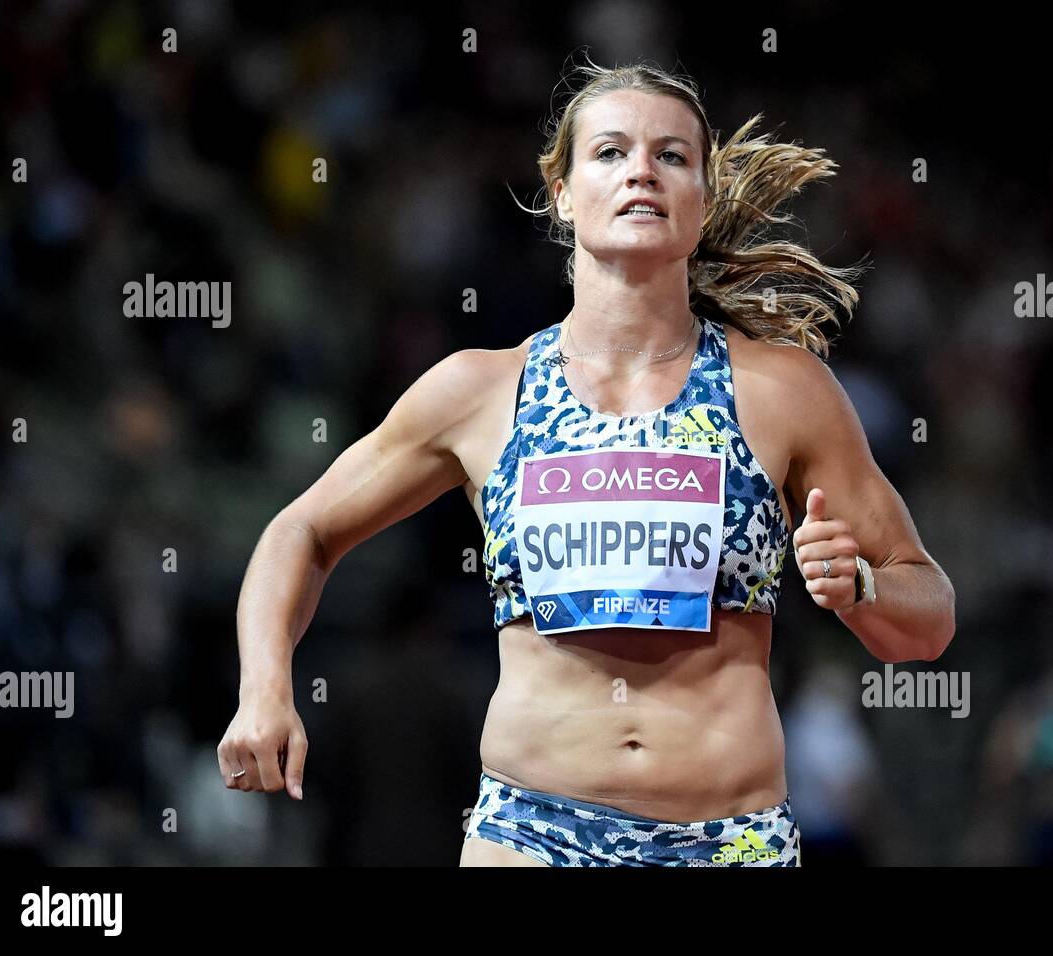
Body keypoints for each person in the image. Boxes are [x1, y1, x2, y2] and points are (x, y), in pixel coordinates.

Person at [217, 57, 955, 867]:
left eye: (672, 155)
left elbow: (928, 619)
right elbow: (304, 529)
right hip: (528, 835)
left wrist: (864, 588)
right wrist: (264, 690)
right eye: (611, 152)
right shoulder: (480, 393)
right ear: (562, 191)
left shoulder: (781, 391)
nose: (642, 169)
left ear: (702, 200)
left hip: (728, 842)